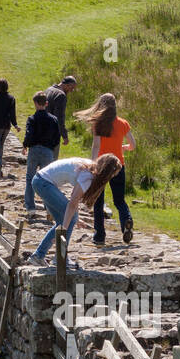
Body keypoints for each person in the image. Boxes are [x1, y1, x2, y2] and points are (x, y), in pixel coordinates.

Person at [30, 154, 123, 264]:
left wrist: (75, 218)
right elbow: (72, 203)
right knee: (67, 220)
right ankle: (60, 258)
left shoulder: (90, 167)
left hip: (41, 181)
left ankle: (39, 256)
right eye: (112, 175)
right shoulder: (88, 176)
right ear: (107, 173)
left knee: (65, 220)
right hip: (43, 183)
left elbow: (75, 198)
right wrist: (64, 229)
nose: (111, 178)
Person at [76, 93, 135, 245]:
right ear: (115, 106)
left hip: (102, 166)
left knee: (98, 201)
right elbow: (133, 145)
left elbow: (96, 146)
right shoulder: (123, 123)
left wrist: (92, 164)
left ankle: (99, 236)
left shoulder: (98, 124)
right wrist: (124, 147)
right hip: (118, 165)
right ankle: (126, 221)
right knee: (119, 200)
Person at [21, 91, 61, 209]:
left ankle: (30, 207)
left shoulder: (32, 118)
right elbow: (57, 137)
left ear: (35, 103)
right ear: (47, 103)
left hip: (34, 150)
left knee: (30, 178)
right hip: (48, 151)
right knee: (47, 180)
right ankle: (48, 207)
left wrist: (25, 145)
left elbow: (29, 134)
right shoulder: (53, 119)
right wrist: (51, 147)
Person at [43, 76, 76, 149]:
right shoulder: (61, 95)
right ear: (67, 85)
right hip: (51, 132)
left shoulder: (49, 89)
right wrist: (64, 135)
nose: (71, 91)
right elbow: (59, 118)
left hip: (40, 126)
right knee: (52, 158)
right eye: (71, 88)